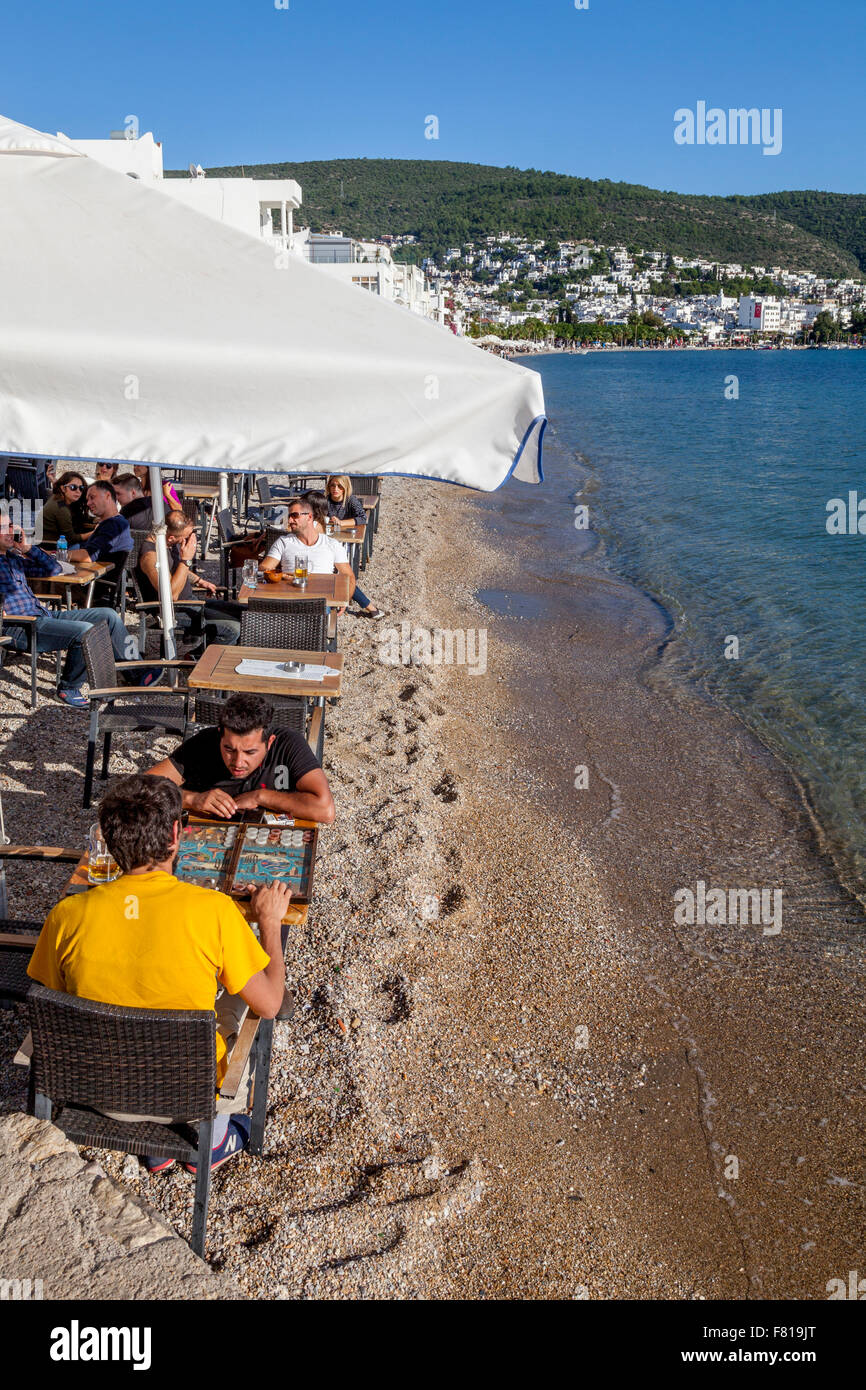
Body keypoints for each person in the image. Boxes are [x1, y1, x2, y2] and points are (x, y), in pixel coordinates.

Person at [27, 774, 291, 1173]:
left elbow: (54, 995)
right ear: (175, 834)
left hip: (93, 1088)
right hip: (186, 1097)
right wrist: (270, 924)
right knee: (242, 992)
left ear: (110, 839)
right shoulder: (213, 912)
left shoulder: (66, 915)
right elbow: (271, 1004)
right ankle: (215, 1139)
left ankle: (156, 1151)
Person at [0, 517, 158, 707]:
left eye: (10, 525)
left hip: (42, 615)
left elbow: (54, 568)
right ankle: (68, 688)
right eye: (3, 528)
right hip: (21, 626)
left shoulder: (12, 559)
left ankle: (136, 672)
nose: (10, 531)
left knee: (107, 616)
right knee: (84, 630)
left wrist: (28, 549)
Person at [146, 692, 335, 823]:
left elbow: (325, 810)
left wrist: (260, 797)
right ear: (220, 735)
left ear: (269, 742)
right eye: (229, 749)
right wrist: (190, 799)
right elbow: (140, 788)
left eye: (250, 752)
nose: (237, 762)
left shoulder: (289, 744)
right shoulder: (204, 743)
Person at [135, 509, 242, 648]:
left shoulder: (167, 544)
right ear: (171, 537)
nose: (187, 540)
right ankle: (203, 660)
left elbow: (176, 571)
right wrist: (185, 560)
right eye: (185, 537)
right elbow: (171, 595)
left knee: (243, 613)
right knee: (233, 629)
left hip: (190, 601)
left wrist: (199, 581)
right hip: (173, 612)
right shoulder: (150, 556)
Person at [261, 494, 359, 617]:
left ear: (309, 517)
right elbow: (264, 568)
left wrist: (345, 599)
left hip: (319, 603)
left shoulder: (331, 544)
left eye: (294, 516)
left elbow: (349, 576)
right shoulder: (283, 542)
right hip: (288, 601)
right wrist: (285, 576)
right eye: (289, 516)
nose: (290, 520)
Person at [324, 476, 384, 618]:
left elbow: (363, 518)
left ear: (345, 487)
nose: (336, 489)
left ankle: (369, 607)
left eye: (339, 486)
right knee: (336, 574)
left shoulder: (350, 500)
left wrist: (341, 523)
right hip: (328, 542)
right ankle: (370, 608)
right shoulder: (325, 500)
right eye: (333, 485)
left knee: (343, 576)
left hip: (347, 543)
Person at [38, 471, 91, 547]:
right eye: (73, 487)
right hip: (50, 547)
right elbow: (71, 539)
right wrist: (94, 532)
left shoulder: (58, 498)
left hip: (50, 542)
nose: (78, 491)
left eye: (81, 488)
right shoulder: (61, 509)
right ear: (63, 488)